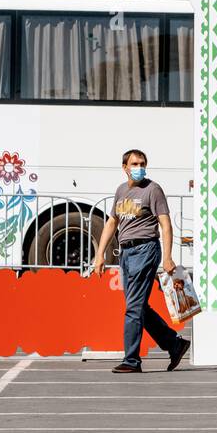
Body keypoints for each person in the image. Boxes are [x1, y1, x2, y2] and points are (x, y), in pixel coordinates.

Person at [92, 149, 190, 373]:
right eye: (134, 164)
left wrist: (167, 256)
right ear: (125, 167)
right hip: (126, 253)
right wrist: (99, 255)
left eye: (142, 163)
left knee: (133, 308)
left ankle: (131, 360)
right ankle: (174, 344)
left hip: (145, 249)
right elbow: (112, 222)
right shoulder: (120, 191)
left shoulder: (153, 190)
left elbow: (165, 224)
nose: (139, 168)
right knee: (138, 306)